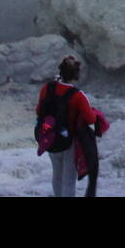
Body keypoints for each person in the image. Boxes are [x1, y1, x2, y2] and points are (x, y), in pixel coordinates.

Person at [35, 55, 97, 197]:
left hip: (49, 137)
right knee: (69, 180)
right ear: (76, 75)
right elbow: (90, 119)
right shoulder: (78, 95)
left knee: (57, 175)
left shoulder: (47, 88)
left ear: (61, 71)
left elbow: (39, 111)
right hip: (70, 142)